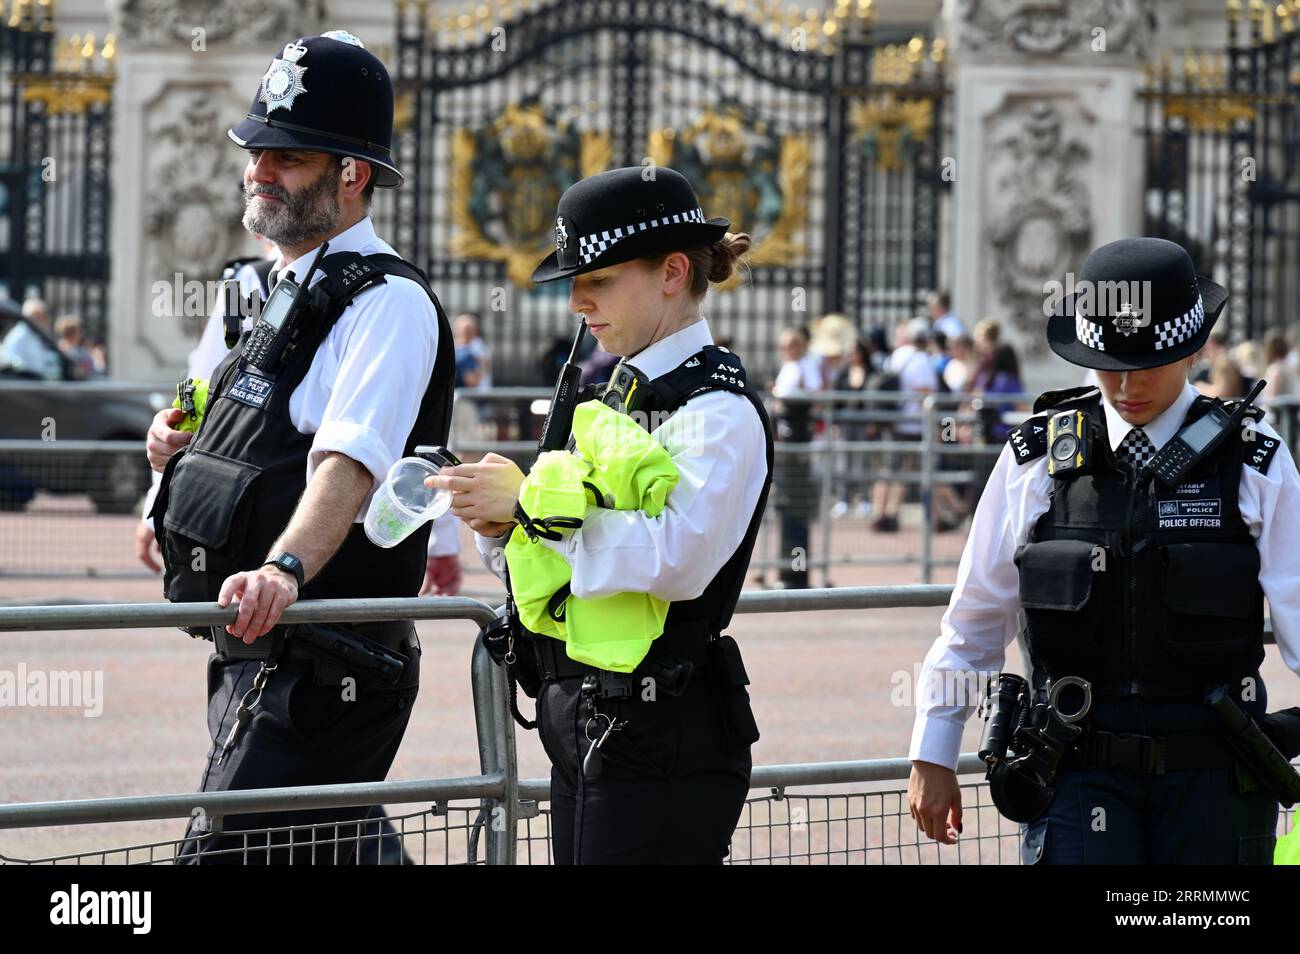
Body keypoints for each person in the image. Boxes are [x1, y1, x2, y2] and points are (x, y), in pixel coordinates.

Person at [145, 31, 456, 864]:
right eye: (256, 150)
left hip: (328, 658)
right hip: (251, 645)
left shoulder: (386, 302)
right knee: (323, 844)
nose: (258, 171)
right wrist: (162, 490)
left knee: (226, 851)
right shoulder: (253, 286)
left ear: (351, 175)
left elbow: (349, 466)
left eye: (285, 155)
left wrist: (283, 569)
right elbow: (205, 414)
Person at [907, 237, 1300, 864]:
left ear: (1194, 350)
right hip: (1075, 771)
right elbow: (977, 613)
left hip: (1213, 779)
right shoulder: (1036, 457)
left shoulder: (1254, 460)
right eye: (1106, 362)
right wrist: (933, 747)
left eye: (1147, 363)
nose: (1125, 384)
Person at [429, 166, 772, 864]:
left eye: (600, 279)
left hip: (658, 722)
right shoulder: (611, 390)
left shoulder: (714, 409)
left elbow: (677, 560)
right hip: (593, 715)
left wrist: (525, 506)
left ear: (672, 271)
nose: (578, 302)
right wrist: (502, 530)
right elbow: (557, 545)